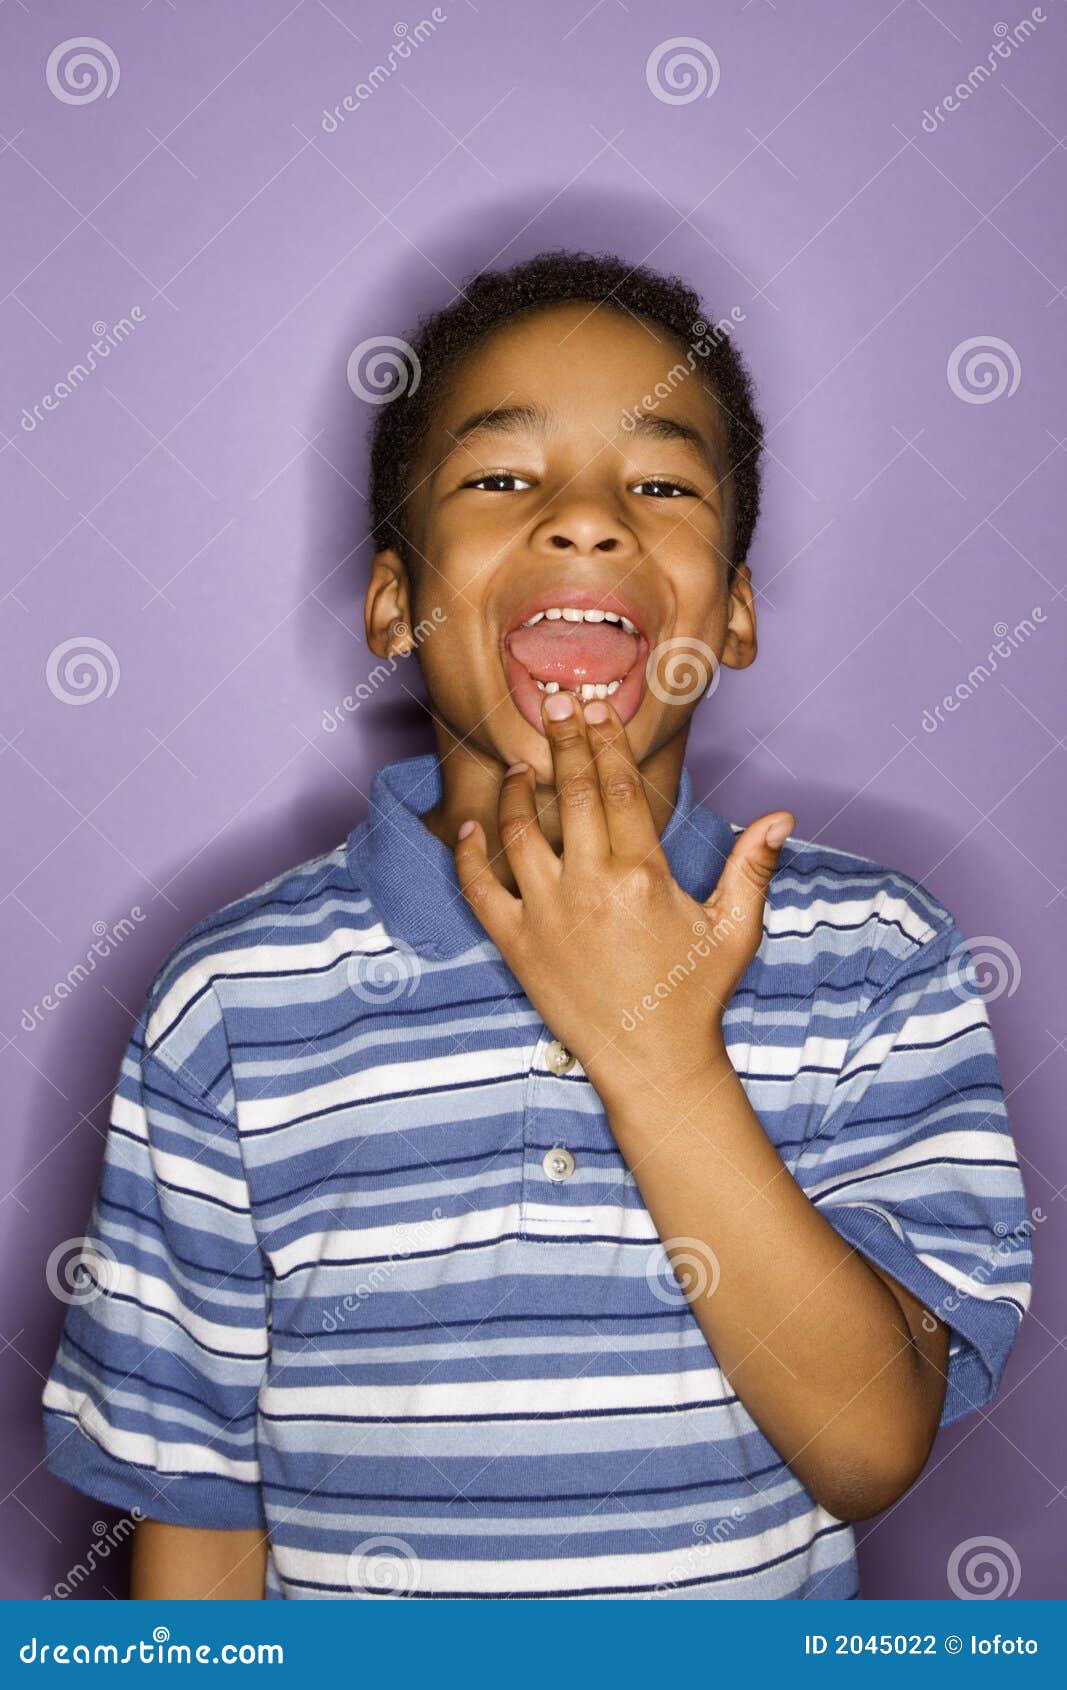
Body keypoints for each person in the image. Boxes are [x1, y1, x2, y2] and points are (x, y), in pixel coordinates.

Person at [42, 252, 1031, 1599]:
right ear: (396, 601)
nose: (585, 517)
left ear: (732, 614)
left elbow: (870, 1442)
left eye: (663, 483)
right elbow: (201, 1518)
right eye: (503, 479)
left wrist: (657, 1048)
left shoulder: (875, 954)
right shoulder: (228, 1004)